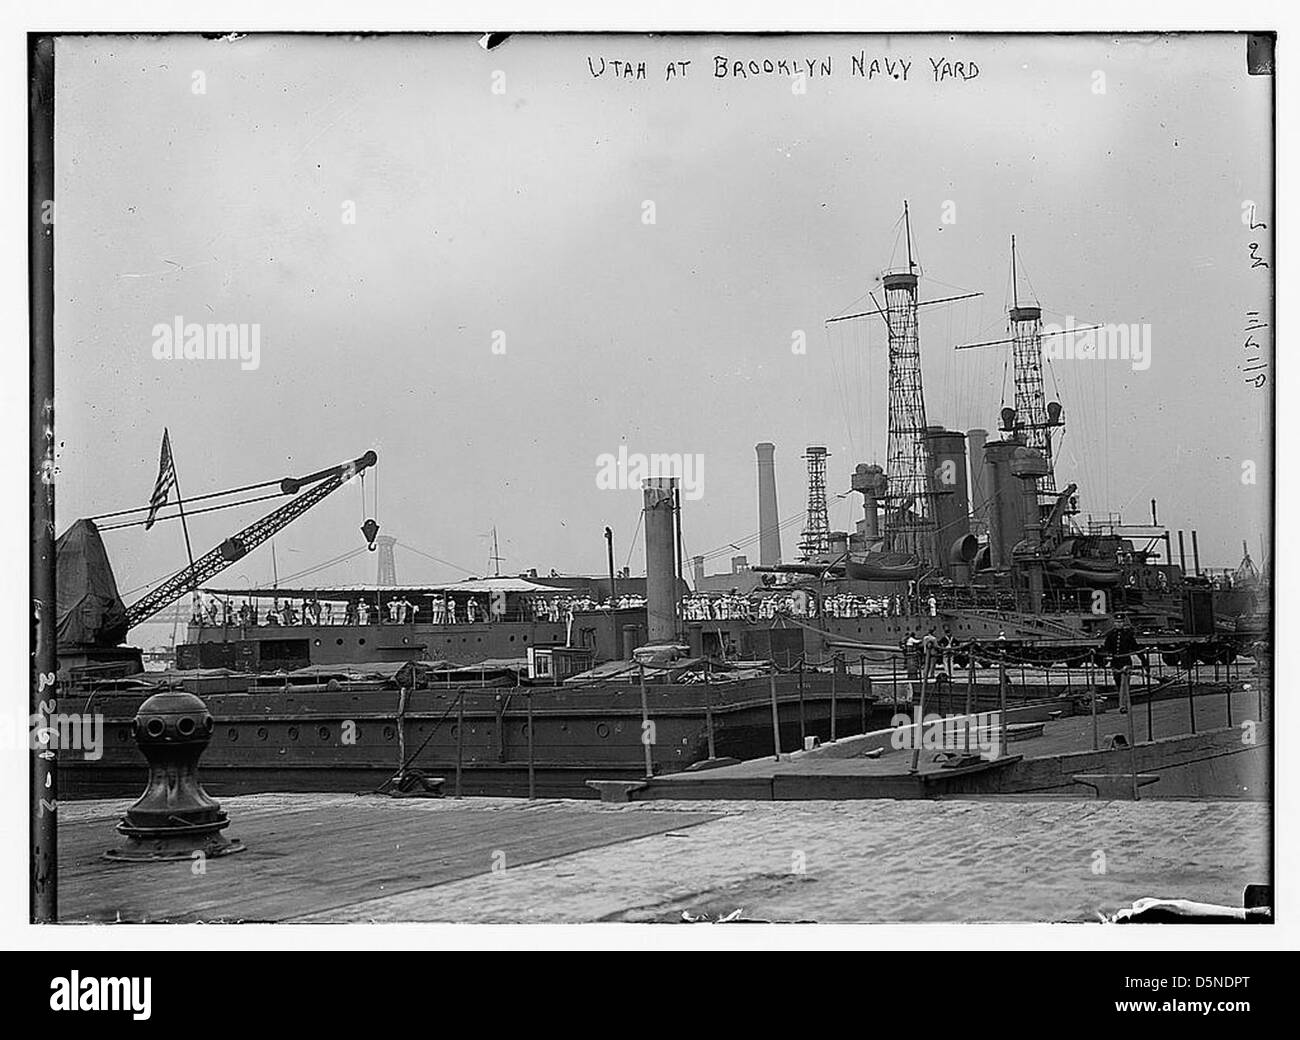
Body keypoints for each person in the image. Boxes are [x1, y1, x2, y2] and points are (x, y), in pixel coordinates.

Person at [1103, 614, 1140, 713]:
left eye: (1120, 622)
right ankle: (1124, 703)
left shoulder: (1128, 634)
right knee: (1118, 684)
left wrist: (1144, 662)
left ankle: (1123, 706)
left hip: (1125, 662)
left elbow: (1135, 647)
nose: (1118, 624)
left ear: (1123, 623)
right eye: (1116, 622)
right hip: (1115, 663)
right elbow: (1106, 648)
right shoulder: (1111, 635)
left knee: (1125, 685)